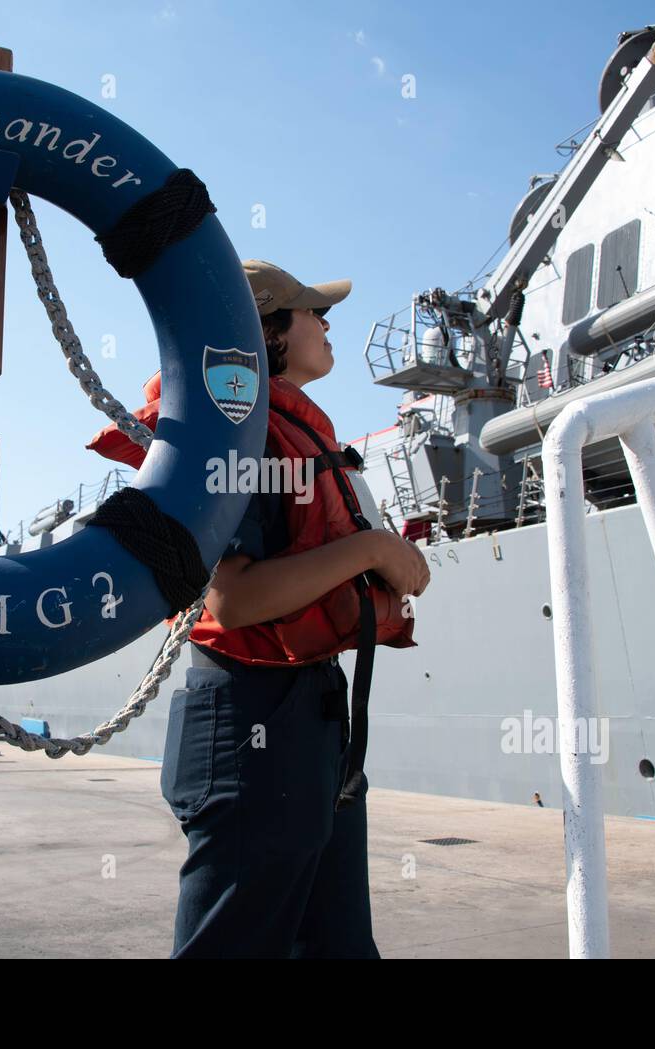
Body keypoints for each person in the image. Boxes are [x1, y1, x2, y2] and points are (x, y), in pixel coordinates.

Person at [87, 259, 430, 958]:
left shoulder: (285, 432)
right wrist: (370, 549)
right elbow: (233, 597)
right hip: (251, 727)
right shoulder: (231, 433)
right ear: (265, 330)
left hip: (314, 724)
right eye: (311, 311)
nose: (327, 322)